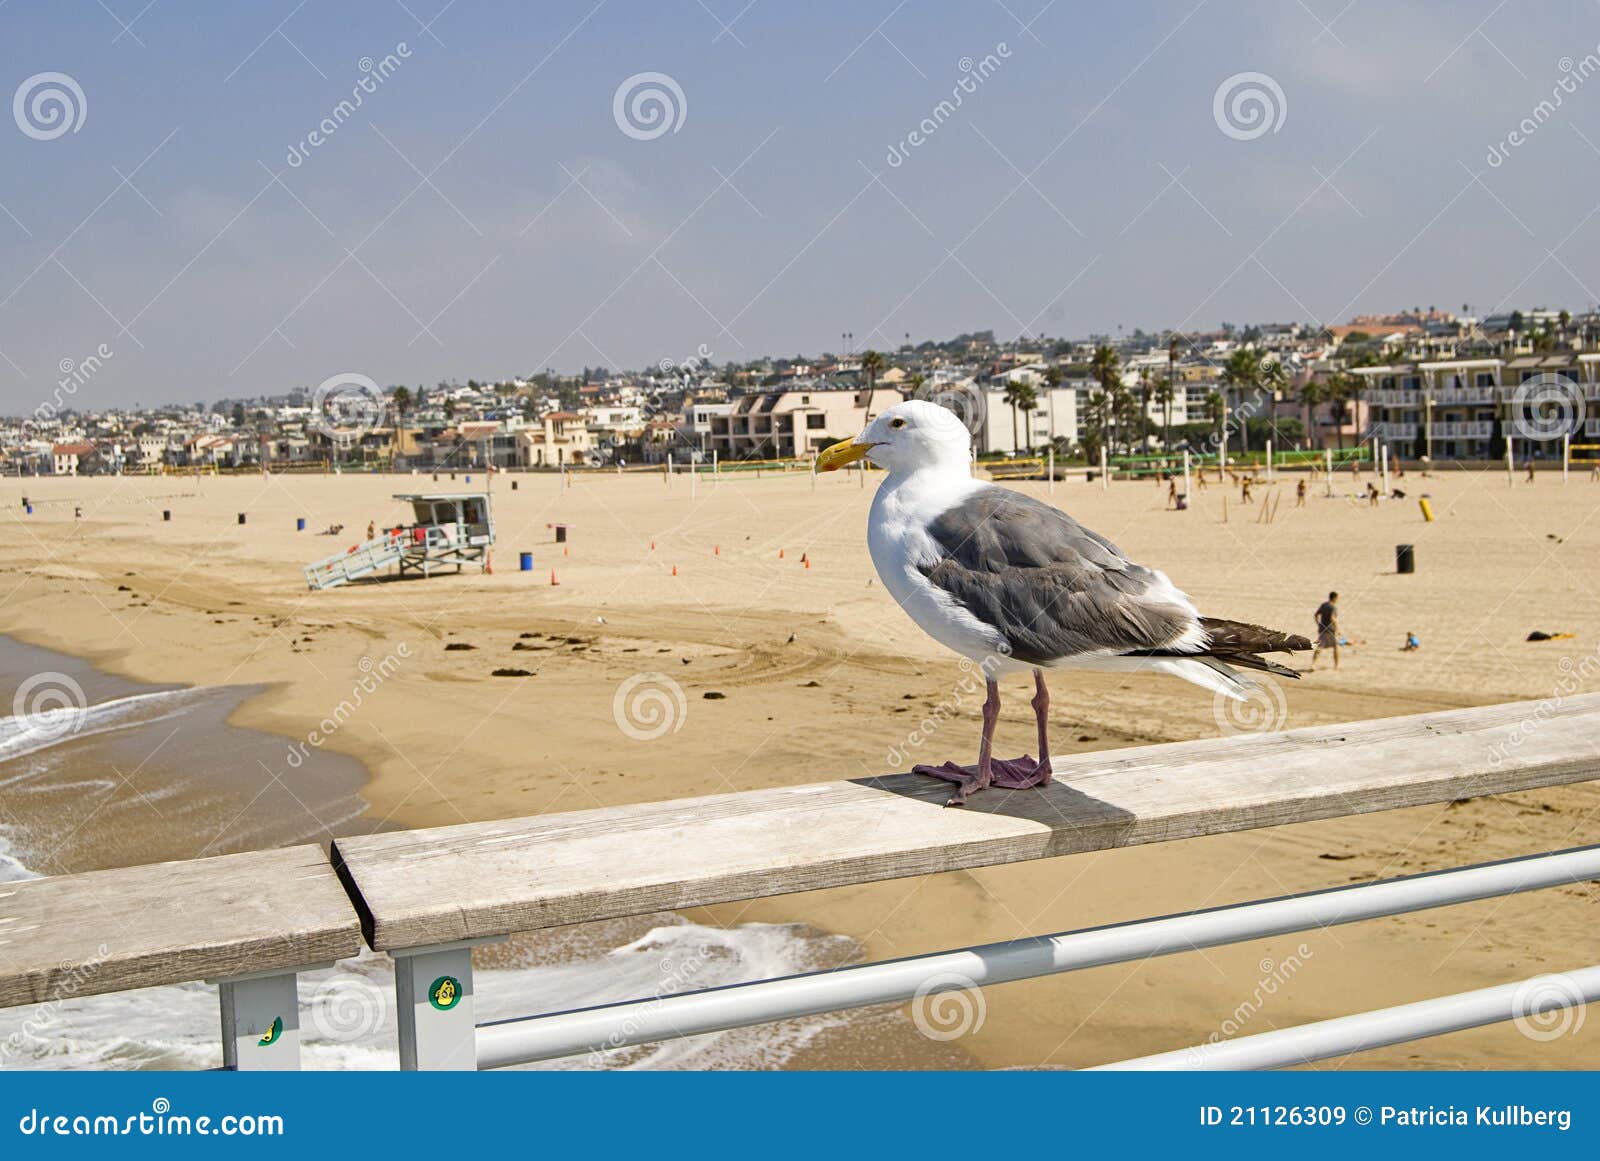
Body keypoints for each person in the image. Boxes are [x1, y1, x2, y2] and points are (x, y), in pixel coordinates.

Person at [1311, 592, 1340, 671]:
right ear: (1334, 598)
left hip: (1322, 630)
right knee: (1336, 647)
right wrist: (1338, 628)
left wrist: (1319, 624)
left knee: (1319, 648)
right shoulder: (1333, 607)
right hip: (1331, 630)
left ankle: (1313, 664)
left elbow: (1316, 615)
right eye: (1337, 598)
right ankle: (1336, 666)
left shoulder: (1324, 605)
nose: (1338, 600)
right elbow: (1332, 618)